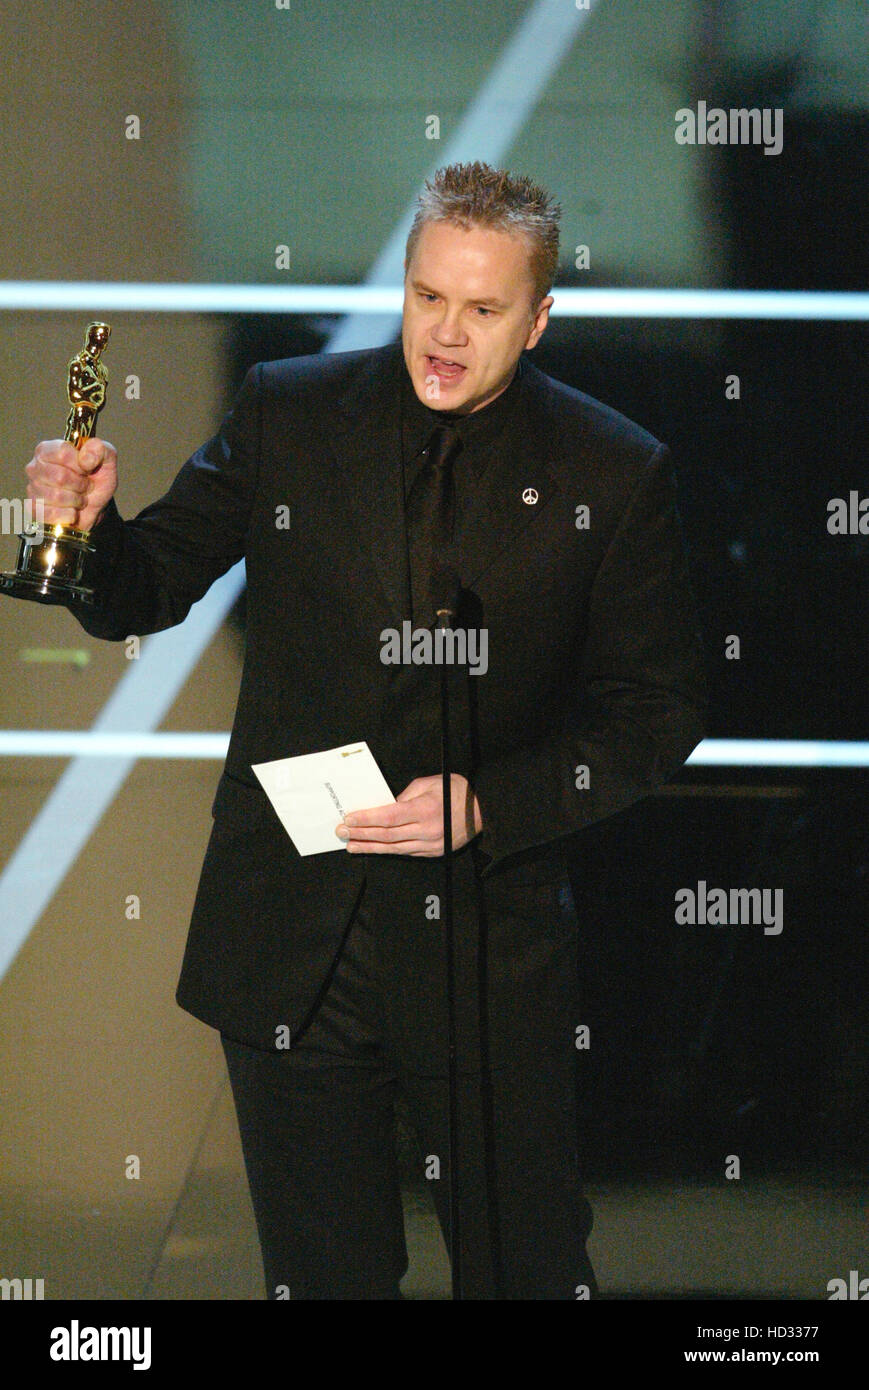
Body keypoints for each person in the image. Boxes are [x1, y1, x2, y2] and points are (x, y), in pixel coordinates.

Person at [24, 161, 708, 1299]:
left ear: (538, 320)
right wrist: (89, 533)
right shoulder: (287, 410)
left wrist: (489, 802)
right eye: (426, 296)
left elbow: (657, 709)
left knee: (528, 1274)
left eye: (481, 308)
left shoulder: (612, 469)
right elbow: (147, 587)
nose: (444, 334)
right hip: (293, 940)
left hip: (483, 953)